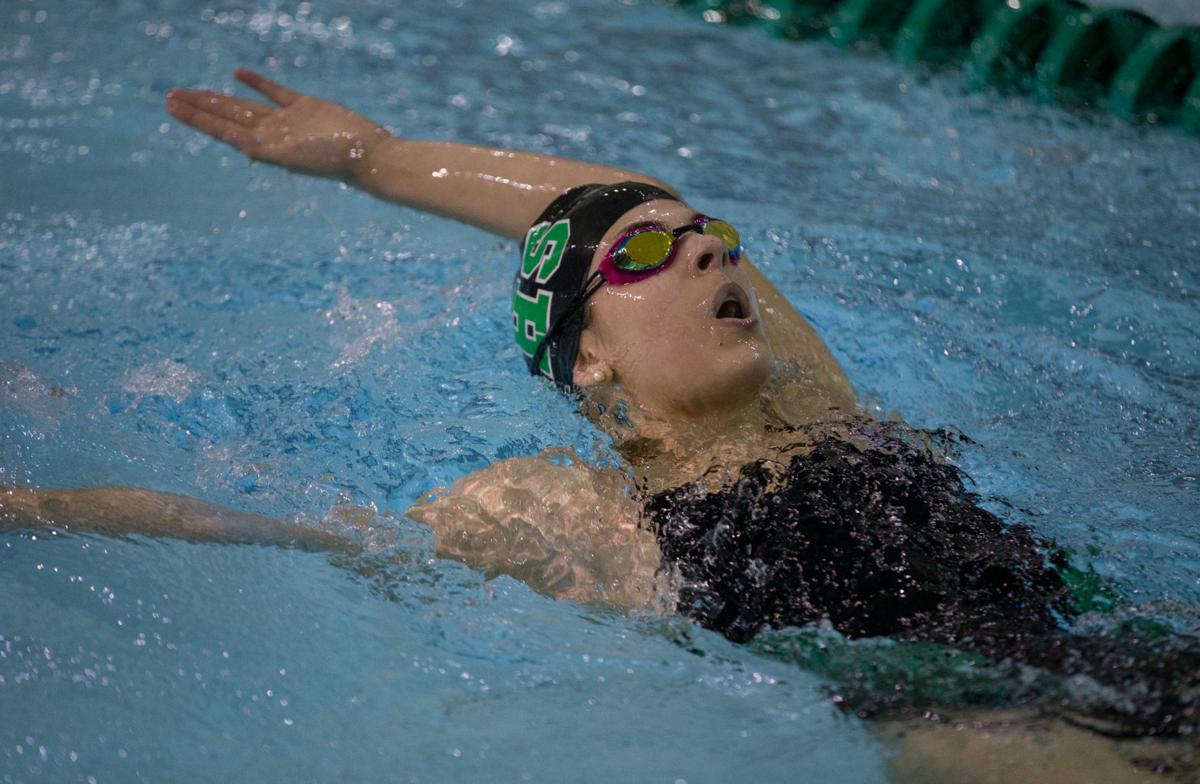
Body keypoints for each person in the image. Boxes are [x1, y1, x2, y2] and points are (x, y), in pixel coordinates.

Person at [2, 69, 1195, 782]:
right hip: (976, 732)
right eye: (648, 255)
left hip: (1129, 651)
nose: (710, 249)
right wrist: (39, 506)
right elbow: (280, 534)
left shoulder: (816, 407)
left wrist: (374, 156)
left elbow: (613, 186)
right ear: (588, 360)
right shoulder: (576, 517)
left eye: (711, 230)